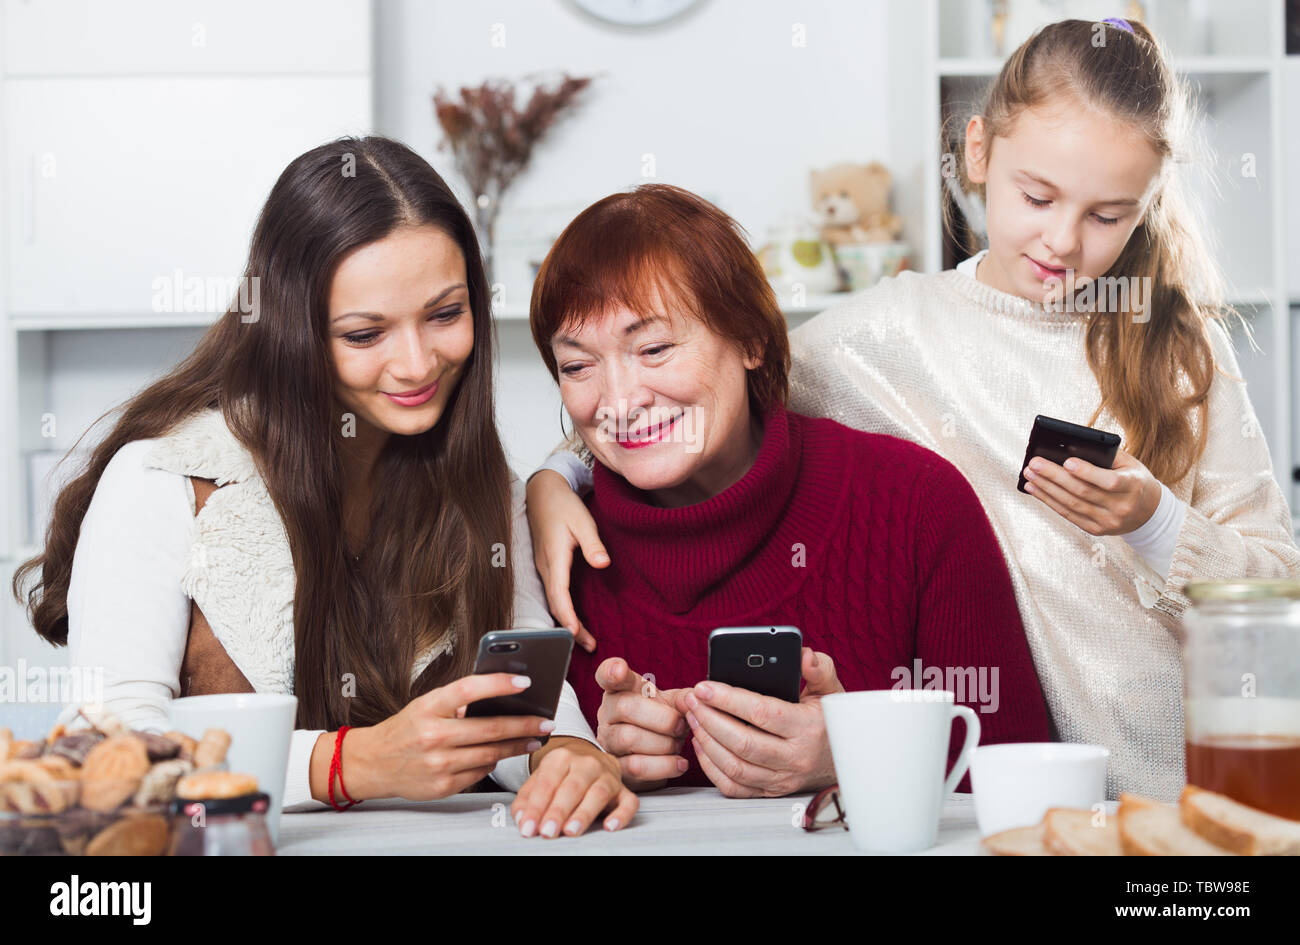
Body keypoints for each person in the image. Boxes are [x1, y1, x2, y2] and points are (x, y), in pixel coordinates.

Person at [527, 19, 1300, 801]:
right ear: (978, 152)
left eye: (1109, 215)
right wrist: (559, 476)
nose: (1063, 240)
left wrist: (1154, 521)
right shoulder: (883, 334)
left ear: (1150, 202)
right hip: (1029, 796)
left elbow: (1280, 593)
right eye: (1036, 196)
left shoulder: (1180, 348)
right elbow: (701, 391)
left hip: (1203, 789)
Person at [13, 136, 635, 839]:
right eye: (365, 333)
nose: (416, 363)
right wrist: (346, 763)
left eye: (444, 314)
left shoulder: (484, 484)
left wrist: (571, 755)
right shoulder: (163, 481)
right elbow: (112, 755)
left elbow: (527, 701)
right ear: (290, 331)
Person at [526, 182, 1050, 797]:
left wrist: (860, 759)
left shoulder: (917, 505)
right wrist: (590, 755)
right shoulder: (551, 553)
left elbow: (1023, 782)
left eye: (655, 348)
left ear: (750, 338)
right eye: (577, 366)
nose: (618, 402)